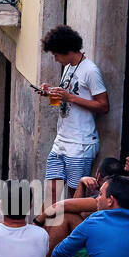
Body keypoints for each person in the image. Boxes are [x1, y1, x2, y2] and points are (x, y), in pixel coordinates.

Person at [40, 24, 109, 197]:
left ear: (67, 50)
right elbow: (70, 94)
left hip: (80, 143)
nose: (55, 59)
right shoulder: (69, 67)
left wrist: (70, 98)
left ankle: (71, 225)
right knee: (51, 194)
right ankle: (49, 224)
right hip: (61, 141)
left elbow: (103, 106)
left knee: (75, 196)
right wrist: (51, 92)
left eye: (56, 54)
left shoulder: (91, 71)